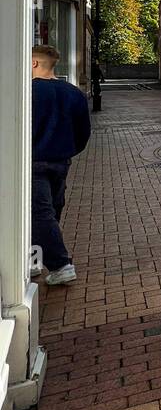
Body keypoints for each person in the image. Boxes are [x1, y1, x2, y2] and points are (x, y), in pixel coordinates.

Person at [31, 44, 91, 286]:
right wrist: (67, 151)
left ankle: (60, 264)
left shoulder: (27, 91)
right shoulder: (73, 93)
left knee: (39, 213)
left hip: (33, 162)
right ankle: (33, 259)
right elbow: (83, 133)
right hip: (60, 162)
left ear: (34, 63)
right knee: (51, 211)